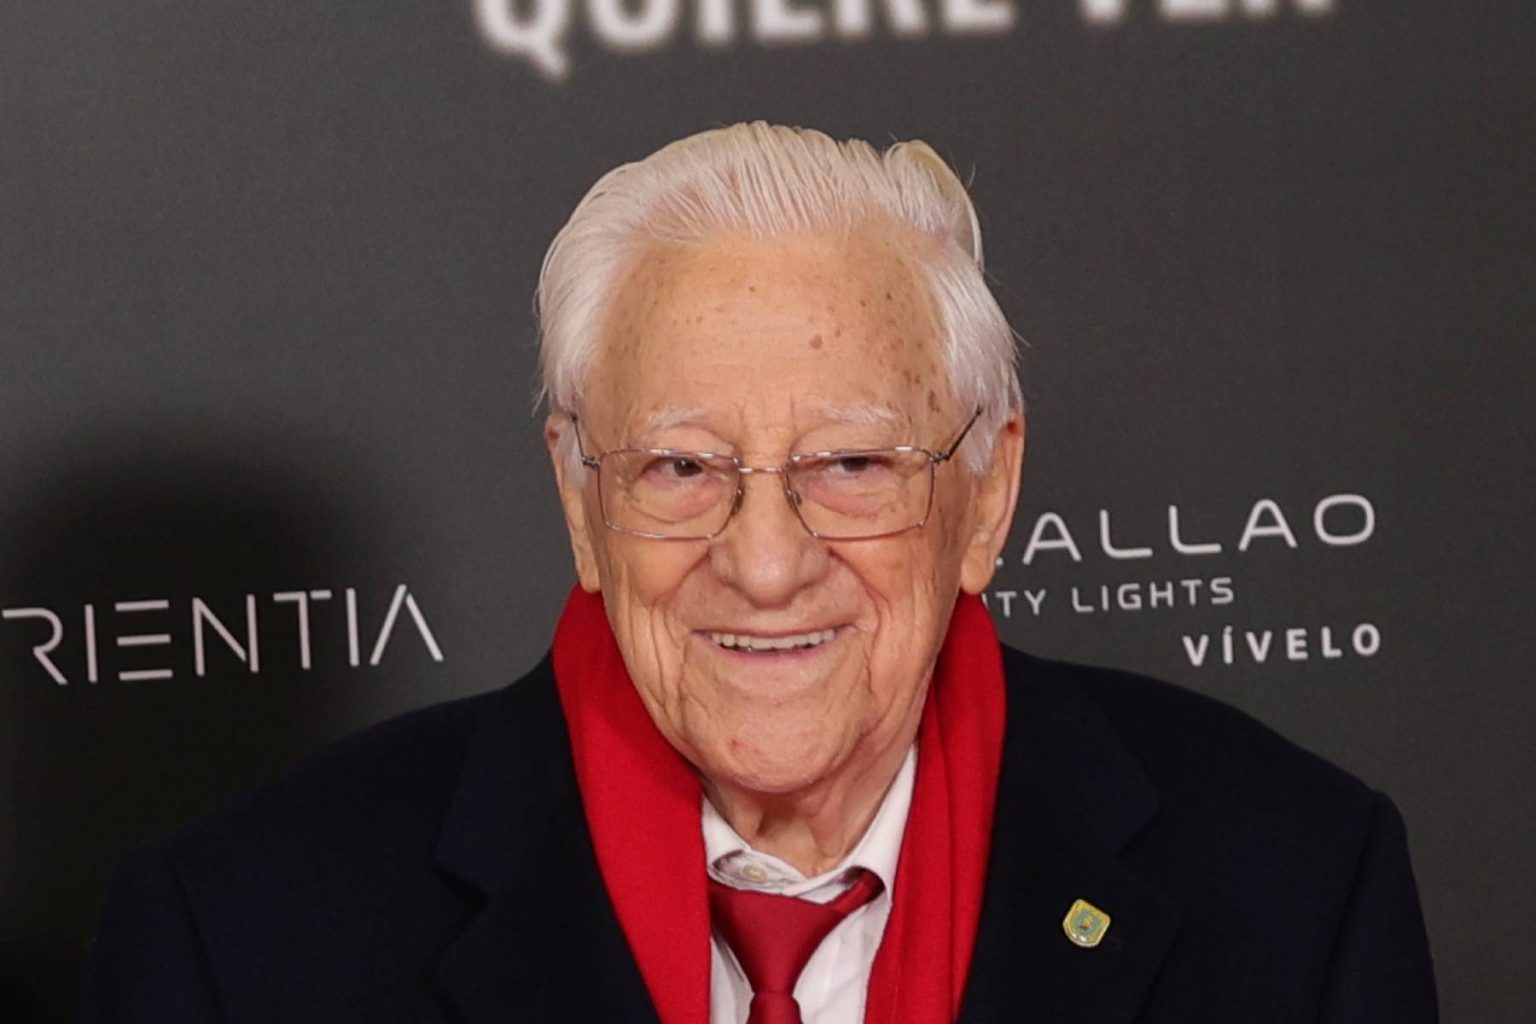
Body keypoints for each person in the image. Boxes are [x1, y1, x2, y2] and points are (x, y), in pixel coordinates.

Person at [78, 123, 1437, 1023]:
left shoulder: (1296, 887)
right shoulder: (240, 944)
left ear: (987, 494)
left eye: (852, 463)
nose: (769, 563)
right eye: (682, 467)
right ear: (579, 498)